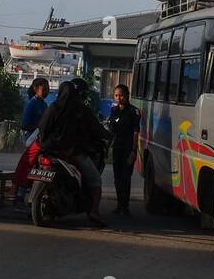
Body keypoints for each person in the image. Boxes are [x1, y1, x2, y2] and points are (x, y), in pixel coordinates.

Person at [35, 79, 110, 227]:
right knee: (95, 180)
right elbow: (97, 130)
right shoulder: (81, 110)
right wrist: (109, 136)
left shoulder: (53, 108)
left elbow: (42, 128)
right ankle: (94, 211)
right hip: (73, 153)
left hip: (49, 151)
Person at [11, 78, 50, 208]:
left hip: (41, 141)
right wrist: (37, 129)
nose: (47, 91)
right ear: (35, 89)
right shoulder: (32, 104)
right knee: (28, 167)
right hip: (32, 141)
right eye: (44, 88)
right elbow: (25, 124)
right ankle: (19, 196)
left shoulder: (44, 105)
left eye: (48, 89)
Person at [106, 84, 140, 216]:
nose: (118, 98)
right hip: (117, 148)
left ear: (127, 96)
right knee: (117, 177)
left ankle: (125, 207)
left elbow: (136, 132)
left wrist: (133, 151)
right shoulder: (113, 111)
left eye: (121, 95)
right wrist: (107, 146)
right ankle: (119, 205)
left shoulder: (133, 112)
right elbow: (112, 131)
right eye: (116, 95)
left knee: (126, 178)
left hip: (128, 148)